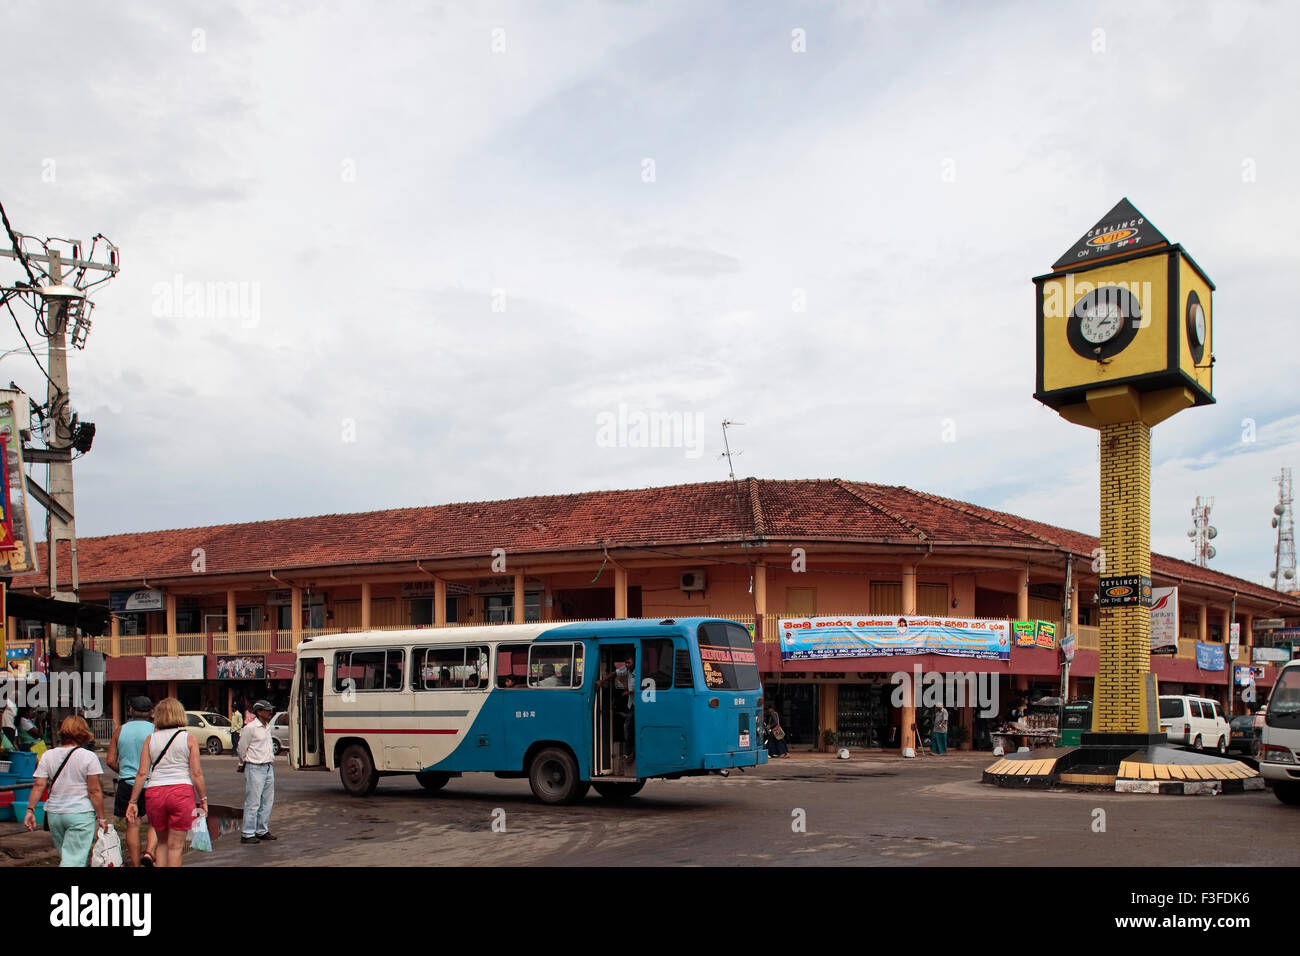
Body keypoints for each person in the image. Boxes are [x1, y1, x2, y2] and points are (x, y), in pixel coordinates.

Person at [125, 697, 208, 867]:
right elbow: (196, 773)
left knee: (162, 843)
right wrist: (203, 799)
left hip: (155, 793)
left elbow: (142, 773)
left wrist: (132, 801)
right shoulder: (188, 739)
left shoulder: (150, 739)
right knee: (175, 847)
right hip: (181, 793)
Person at [23, 716, 110, 866]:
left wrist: (30, 810)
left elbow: (39, 785)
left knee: (67, 856)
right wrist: (101, 818)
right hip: (80, 813)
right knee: (73, 860)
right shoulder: (89, 757)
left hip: (55, 814)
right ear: (83, 734)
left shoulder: (48, 755)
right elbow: (94, 790)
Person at [106, 695, 160, 866]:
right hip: (153, 782)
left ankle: (136, 864)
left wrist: (123, 771)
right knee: (155, 822)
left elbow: (110, 760)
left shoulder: (119, 730)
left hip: (127, 783)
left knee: (133, 825)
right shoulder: (156, 731)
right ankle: (149, 854)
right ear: (151, 712)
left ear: (130, 711)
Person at [236, 699, 276, 845]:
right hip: (255, 767)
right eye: (267, 710)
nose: (270, 713)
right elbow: (241, 748)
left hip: (267, 767)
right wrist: (242, 763)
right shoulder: (250, 728)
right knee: (253, 802)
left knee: (267, 801)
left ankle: (261, 830)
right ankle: (247, 833)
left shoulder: (267, 727)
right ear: (259, 712)